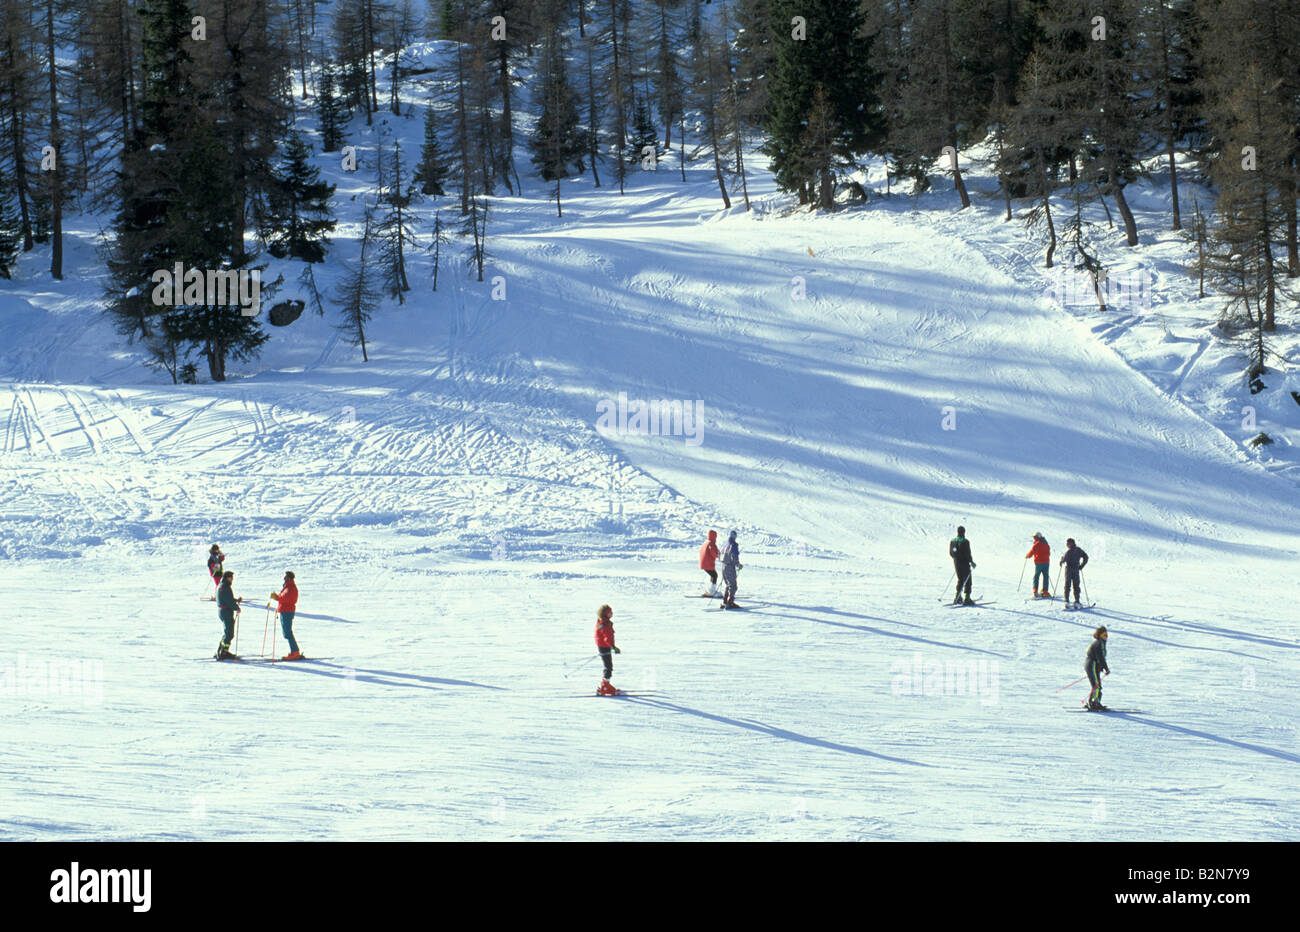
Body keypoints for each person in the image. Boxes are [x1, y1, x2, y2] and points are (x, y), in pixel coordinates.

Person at [270, 571, 302, 660]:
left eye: (286, 577)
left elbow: (286, 598)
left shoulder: (290, 588)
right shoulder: (287, 587)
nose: (284, 578)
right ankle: (294, 651)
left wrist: (276, 597)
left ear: (289, 578)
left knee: (287, 632)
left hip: (287, 611)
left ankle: (295, 652)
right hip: (285, 610)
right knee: (286, 632)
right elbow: (282, 597)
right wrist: (277, 597)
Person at [214, 570, 244, 660]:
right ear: (228, 578)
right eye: (231, 578)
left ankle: (222, 650)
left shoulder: (221, 585)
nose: (232, 580)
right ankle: (223, 652)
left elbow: (227, 598)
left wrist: (236, 600)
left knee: (228, 632)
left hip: (223, 611)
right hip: (226, 612)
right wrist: (236, 607)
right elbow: (228, 600)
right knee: (229, 633)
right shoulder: (225, 587)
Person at [594, 604, 621, 696]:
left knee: (608, 665)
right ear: (606, 614)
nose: (612, 613)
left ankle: (605, 685)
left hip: (602, 646)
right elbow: (607, 638)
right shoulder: (605, 624)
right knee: (608, 666)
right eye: (610, 612)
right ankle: (605, 687)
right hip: (604, 646)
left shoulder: (602, 622)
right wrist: (614, 647)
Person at [1085, 626, 1110, 710]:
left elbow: (1099, 657)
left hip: (1092, 665)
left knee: (1096, 685)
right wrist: (1105, 668)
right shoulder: (1099, 643)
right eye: (1104, 635)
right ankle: (1094, 703)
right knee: (1097, 686)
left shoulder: (1100, 643)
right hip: (1092, 665)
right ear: (1100, 635)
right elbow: (1100, 657)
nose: (1106, 636)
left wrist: (1100, 667)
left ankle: (1092, 702)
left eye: (1107, 635)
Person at [1059, 538, 1089, 608]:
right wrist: (1081, 566)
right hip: (1076, 569)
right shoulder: (1079, 550)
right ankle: (1077, 601)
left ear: (1071, 543)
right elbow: (1086, 557)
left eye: (1068, 543)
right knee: (1076, 585)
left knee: (1067, 585)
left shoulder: (1069, 551)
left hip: (1069, 569)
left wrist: (1061, 561)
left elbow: (1064, 559)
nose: (1067, 545)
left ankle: (1066, 601)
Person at [949, 525, 976, 605]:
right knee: (967, 580)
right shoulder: (965, 541)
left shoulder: (952, 541)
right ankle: (967, 598)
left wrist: (956, 558)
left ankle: (957, 597)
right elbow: (967, 553)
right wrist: (971, 562)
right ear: (964, 532)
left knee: (960, 579)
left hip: (956, 562)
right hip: (964, 563)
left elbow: (951, 553)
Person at [720, 530, 742, 609]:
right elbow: (734, 555)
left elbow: (720, 554)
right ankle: (730, 603)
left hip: (723, 566)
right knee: (733, 585)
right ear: (735, 537)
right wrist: (737, 564)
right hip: (729, 566)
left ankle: (725, 601)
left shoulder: (725, 544)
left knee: (728, 584)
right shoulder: (733, 545)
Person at [1025, 532, 1051, 598]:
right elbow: (1049, 553)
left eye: (1035, 537)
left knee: (1036, 576)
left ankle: (1035, 591)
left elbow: (1032, 552)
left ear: (1038, 537)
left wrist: (1027, 556)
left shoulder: (1037, 544)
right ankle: (1045, 591)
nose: (1034, 538)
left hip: (1039, 563)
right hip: (1046, 563)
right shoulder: (1046, 543)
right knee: (1046, 576)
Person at [699, 530, 720, 596]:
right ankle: (712, 591)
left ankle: (710, 590)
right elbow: (715, 554)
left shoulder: (706, 543)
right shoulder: (711, 544)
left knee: (713, 575)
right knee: (714, 575)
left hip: (704, 563)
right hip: (708, 563)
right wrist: (719, 554)